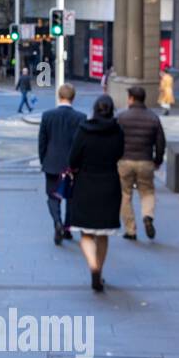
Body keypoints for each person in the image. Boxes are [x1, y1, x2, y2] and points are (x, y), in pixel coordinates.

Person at [65, 95, 125, 292]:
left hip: (86, 184)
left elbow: (73, 158)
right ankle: (100, 269)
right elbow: (119, 153)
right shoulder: (117, 130)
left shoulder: (84, 130)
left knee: (86, 232)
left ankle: (93, 266)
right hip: (109, 184)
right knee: (104, 233)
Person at [117, 85, 166, 241]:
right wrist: (157, 160)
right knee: (147, 192)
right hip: (145, 160)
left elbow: (114, 139)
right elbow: (160, 142)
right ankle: (147, 215)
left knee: (125, 195)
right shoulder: (153, 118)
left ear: (131, 99)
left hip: (125, 160)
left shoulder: (122, 117)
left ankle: (130, 230)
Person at [38, 83, 85, 246]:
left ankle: (57, 222)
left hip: (52, 163)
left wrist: (43, 160)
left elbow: (42, 142)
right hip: (72, 166)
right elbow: (81, 144)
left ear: (59, 96)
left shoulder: (47, 115)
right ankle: (66, 228)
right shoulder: (81, 117)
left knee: (52, 196)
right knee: (71, 198)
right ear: (73, 97)